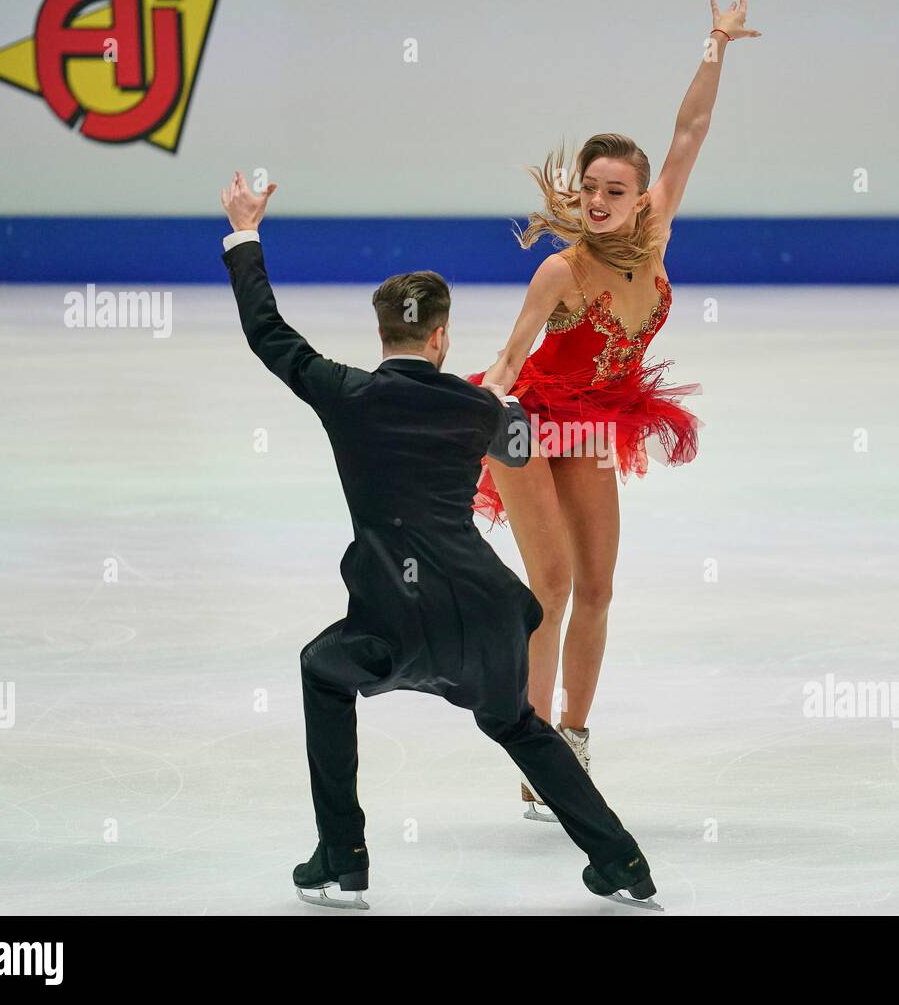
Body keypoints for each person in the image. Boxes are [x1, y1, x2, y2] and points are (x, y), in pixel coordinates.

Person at [217, 171, 660, 910]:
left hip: (393, 617)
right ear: (442, 336)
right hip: (485, 615)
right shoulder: (479, 407)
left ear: (383, 334)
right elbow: (520, 445)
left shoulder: (344, 392)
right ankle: (622, 864)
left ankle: (342, 857)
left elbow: (268, 333)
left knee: (323, 673)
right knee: (517, 724)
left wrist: (245, 233)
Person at [471, 0, 761, 815]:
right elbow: (509, 360)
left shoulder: (659, 231)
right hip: (527, 426)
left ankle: (571, 742)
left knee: (599, 588)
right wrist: (463, 419)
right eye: (590, 188)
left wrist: (716, 44)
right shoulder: (560, 273)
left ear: (640, 200)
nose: (597, 200)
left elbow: (690, 132)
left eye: (614, 190)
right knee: (553, 587)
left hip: (598, 420)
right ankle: (530, 746)